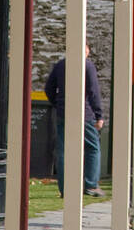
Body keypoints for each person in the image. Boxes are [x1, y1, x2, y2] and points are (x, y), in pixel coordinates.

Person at [44, 43, 106, 198]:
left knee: (63, 151)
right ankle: (91, 184)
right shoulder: (87, 66)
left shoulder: (60, 65)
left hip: (63, 113)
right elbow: (93, 91)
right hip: (84, 114)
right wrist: (99, 115)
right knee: (92, 148)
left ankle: (65, 188)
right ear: (84, 51)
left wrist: (58, 104)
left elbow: (48, 89)